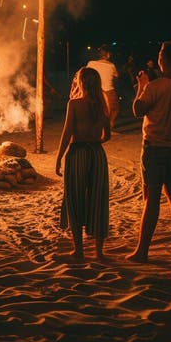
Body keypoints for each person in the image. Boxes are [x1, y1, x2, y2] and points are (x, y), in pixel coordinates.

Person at [127, 42, 171, 263]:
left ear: (162, 59)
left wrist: (141, 85)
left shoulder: (155, 87)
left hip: (155, 147)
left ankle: (142, 251)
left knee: (152, 197)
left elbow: (138, 110)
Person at [55, 67, 111, 261]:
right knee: (98, 199)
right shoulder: (102, 106)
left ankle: (79, 250)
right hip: (97, 153)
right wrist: (93, 143)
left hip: (78, 153)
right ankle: (99, 252)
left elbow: (67, 133)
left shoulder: (75, 104)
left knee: (75, 198)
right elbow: (107, 136)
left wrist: (59, 156)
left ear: (80, 83)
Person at [87, 45, 120, 129]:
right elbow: (116, 77)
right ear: (108, 55)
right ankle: (110, 125)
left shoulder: (91, 63)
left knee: (97, 108)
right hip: (109, 90)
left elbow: (85, 74)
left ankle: (98, 125)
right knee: (115, 108)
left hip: (96, 90)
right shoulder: (111, 65)